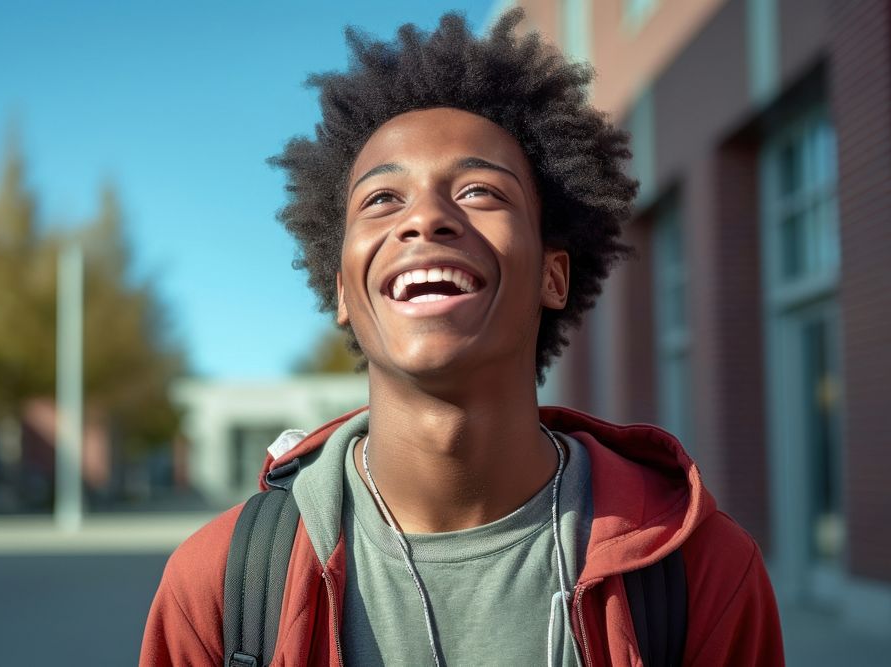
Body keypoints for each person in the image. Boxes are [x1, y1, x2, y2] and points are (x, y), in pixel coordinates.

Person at [140, 9, 783, 666]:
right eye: (383, 200)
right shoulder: (218, 587)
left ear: (553, 275)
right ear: (341, 289)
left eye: (479, 191)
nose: (426, 218)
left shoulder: (703, 573)